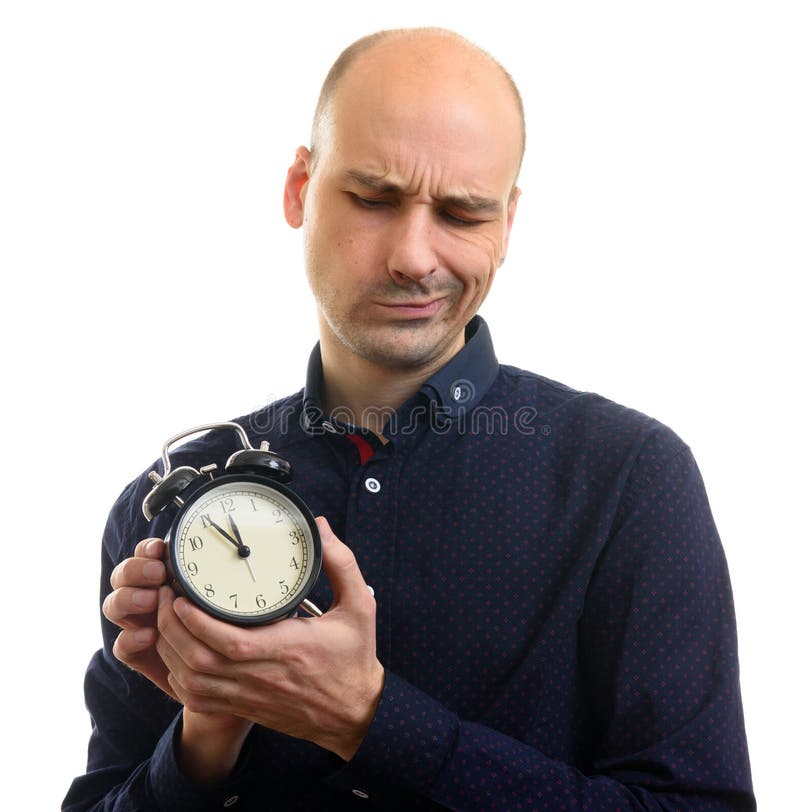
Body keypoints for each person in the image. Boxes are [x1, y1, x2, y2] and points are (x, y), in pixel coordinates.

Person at [64, 27, 755, 811]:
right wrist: (206, 732)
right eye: (374, 198)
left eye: (462, 214)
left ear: (508, 221)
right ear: (299, 187)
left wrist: (371, 718)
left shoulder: (633, 479)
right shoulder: (170, 511)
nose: (414, 257)